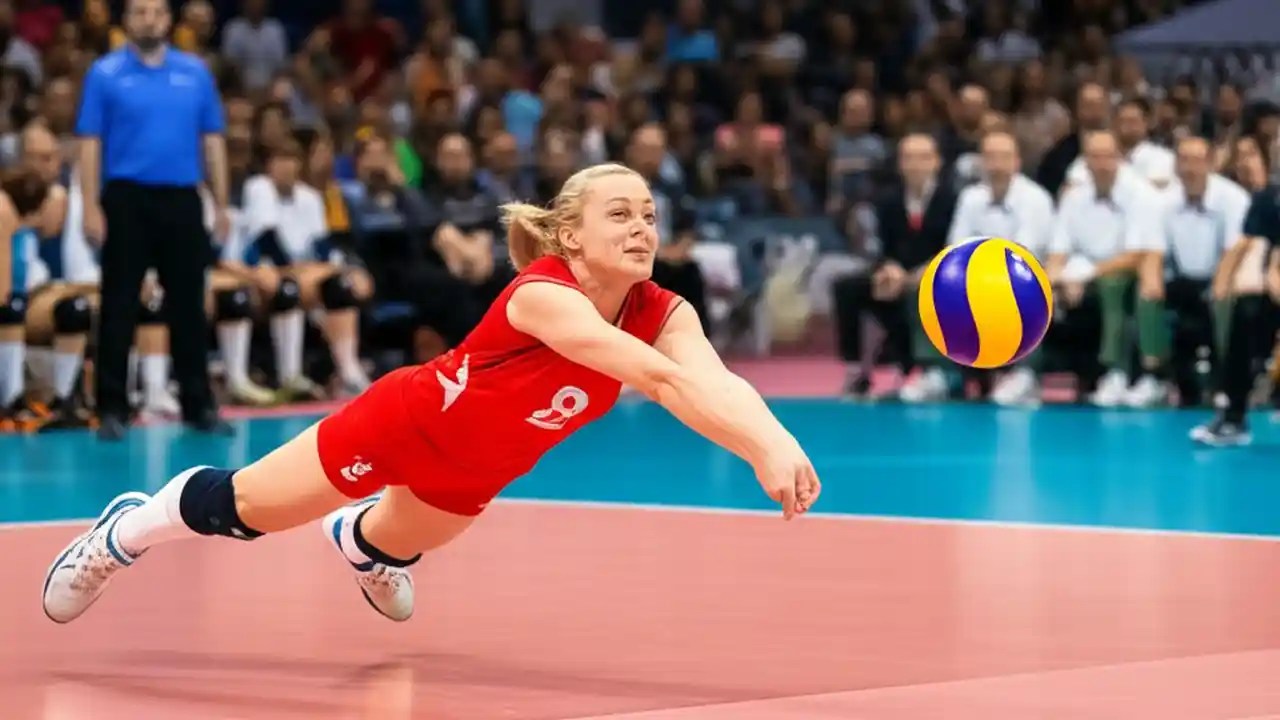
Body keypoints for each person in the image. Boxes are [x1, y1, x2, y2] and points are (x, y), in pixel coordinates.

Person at [41, 163, 821, 625]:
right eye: (620, 214)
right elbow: (660, 379)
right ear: (570, 235)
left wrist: (780, 442)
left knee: (393, 543)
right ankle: (123, 533)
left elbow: (716, 379)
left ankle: (360, 544)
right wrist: (759, 451)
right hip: (403, 424)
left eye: (650, 215)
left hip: (479, 470)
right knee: (245, 512)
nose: (644, 227)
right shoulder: (542, 295)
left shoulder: (663, 309)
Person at [76, 0, 232, 440]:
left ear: (169, 20)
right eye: (140, 12)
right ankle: (111, 407)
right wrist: (90, 204)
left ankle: (198, 405)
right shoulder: (105, 74)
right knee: (119, 304)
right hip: (126, 198)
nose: (149, 19)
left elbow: (213, 139)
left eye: (157, 12)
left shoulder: (195, 72)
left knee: (188, 305)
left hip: (182, 198)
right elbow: (90, 142)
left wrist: (220, 202)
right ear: (126, 20)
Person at [0, 169, 53, 430]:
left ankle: (14, 396)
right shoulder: (4, 210)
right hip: (15, 299)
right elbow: (3, 287)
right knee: (11, 309)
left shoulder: (27, 234)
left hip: (25, 295)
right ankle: (10, 398)